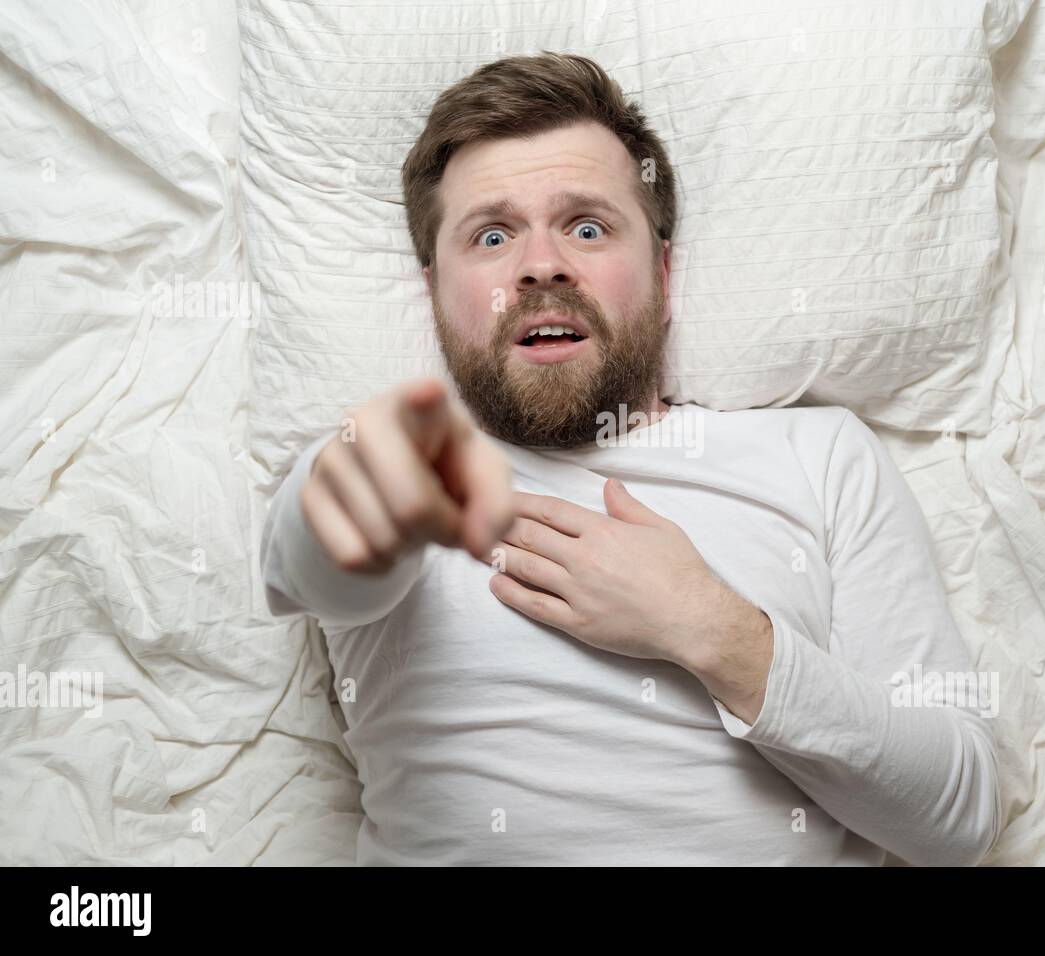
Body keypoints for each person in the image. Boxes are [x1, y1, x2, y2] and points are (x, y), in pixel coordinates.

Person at [260, 52, 1002, 865]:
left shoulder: (819, 456)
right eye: (493, 234)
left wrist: (712, 630)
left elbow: (957, 822)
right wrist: (355, 500)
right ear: (434, 288)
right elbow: (320, 557)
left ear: (662, 269)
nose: (541, 265)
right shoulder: (395, 465)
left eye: (586, 226)